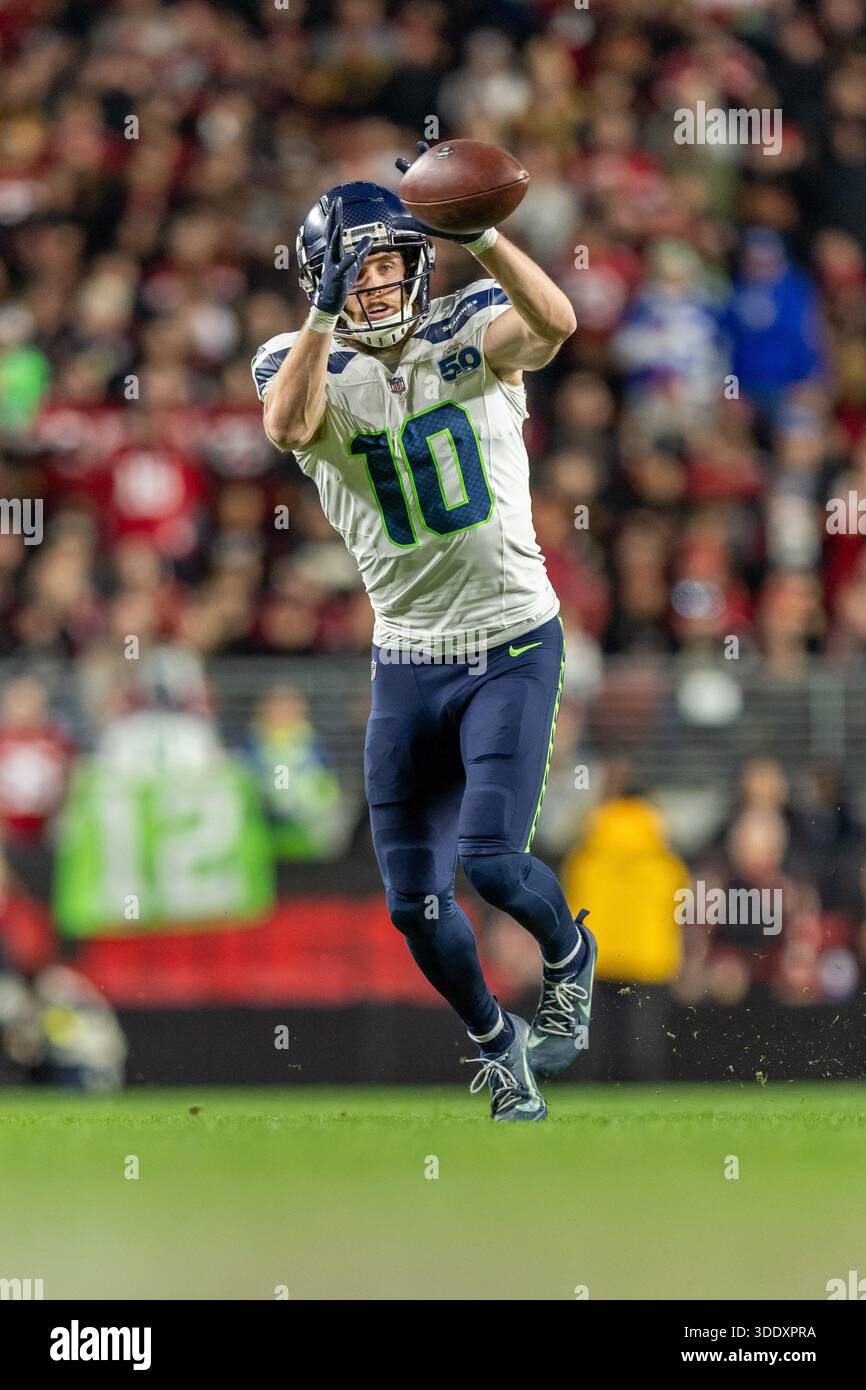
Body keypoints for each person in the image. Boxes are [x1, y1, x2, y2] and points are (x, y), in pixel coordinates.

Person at [252, 143, 594, 1120]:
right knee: (412, 902)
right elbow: (287, 425)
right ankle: (498, 1039)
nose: (380, 281)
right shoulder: (293, 357)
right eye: (357, 269)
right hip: (406, 659)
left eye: (392, 261)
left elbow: (556, 322)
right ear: (323, 277)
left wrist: (478, 229)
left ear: (420, 260)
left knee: (488, 861)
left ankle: (566, 952)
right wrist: (322, 312)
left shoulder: (469, 325)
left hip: (511, 642)